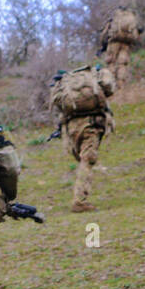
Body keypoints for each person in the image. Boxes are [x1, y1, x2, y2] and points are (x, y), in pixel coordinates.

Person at [49, 63, 115, 213]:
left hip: (71, 125)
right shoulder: (96, 76)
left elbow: (58, 104)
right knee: (87, 160)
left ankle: (80, 194)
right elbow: (109, 89)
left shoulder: (66, 83)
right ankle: (79, 200)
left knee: (82, 160)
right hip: (92, 123)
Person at [98, 5, 143, 86]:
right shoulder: (131, 18)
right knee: (122, 64)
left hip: (113, 42)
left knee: (111, 62)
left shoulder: (114, 18)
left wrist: (103, 45)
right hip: (126, 43)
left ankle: (110, 83)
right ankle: (121, 84)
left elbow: (104, 34)